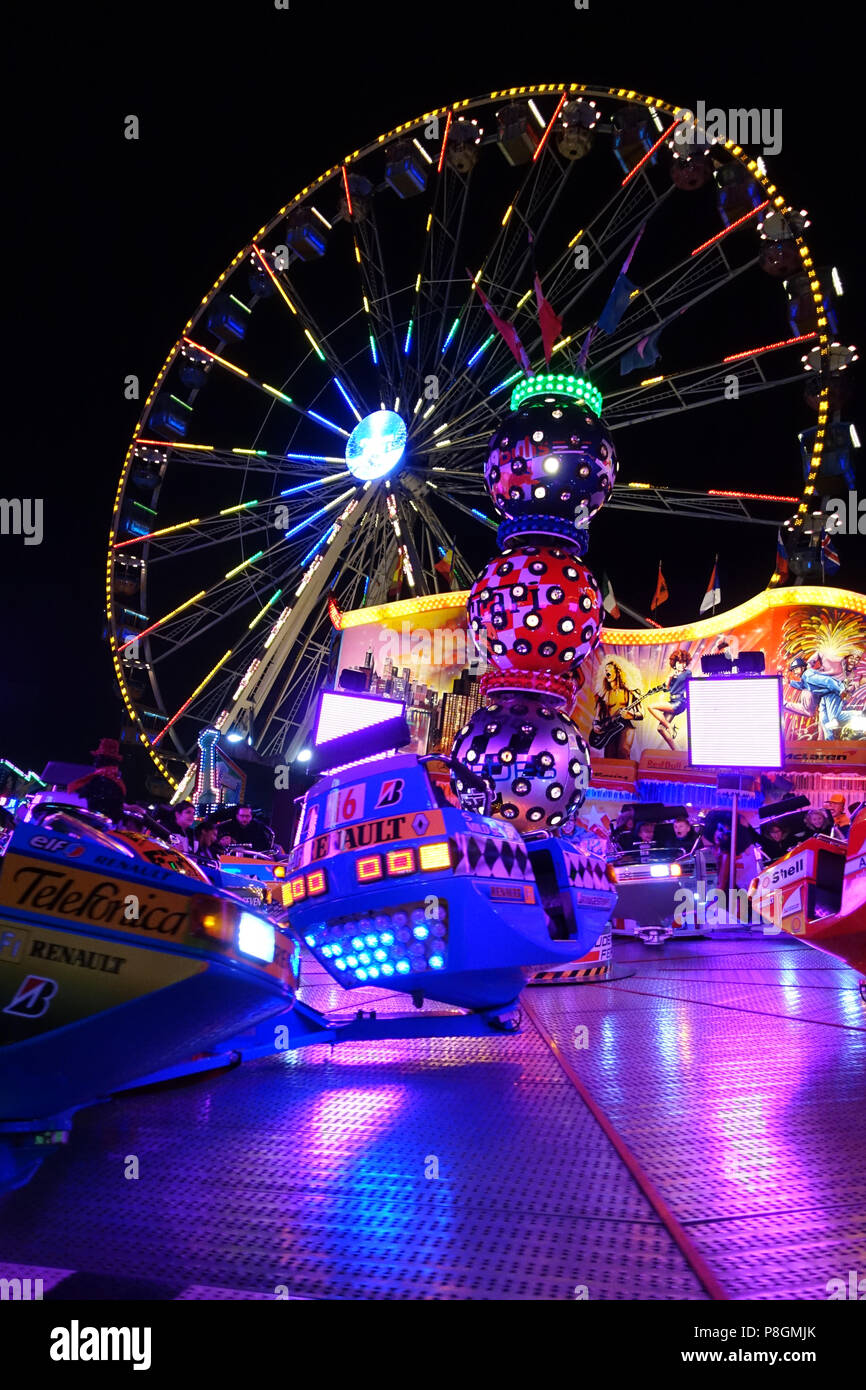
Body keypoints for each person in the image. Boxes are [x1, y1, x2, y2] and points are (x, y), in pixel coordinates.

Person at [68, 737, 127, 824]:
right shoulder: (117, 779)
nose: (95, 761)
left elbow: (83, 793)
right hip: (110, 825)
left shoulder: (100, 779)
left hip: (96, 825)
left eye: (98, 757)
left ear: (104, 759)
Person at [592, 661, 644, 758]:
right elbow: (597, 716)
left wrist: (631, 715)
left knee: (623, 752)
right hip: (609, 728)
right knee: (609, 756)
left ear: (617, 672)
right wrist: (596, 725)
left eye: (609, 669)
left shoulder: (629, 693)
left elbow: (641, 714)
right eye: (605, 670)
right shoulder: (603, 695)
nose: (607, 671)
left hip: (626, 726)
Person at [646, 650, 692, 752]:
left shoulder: (687, 673)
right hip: (672, 701)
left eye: (684, 662)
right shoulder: (673, 674)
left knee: (651, 707)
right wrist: (670, 677)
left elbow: (689, 685)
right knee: (660, 728)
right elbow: (667, 689)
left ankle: (670, 727)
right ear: (674, 663)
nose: (682, 665)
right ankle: (676, 750)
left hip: (680, 702)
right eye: (679, 662)